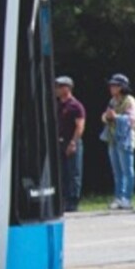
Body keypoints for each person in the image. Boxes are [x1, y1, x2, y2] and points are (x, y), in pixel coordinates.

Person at [101, 74, 135, 210]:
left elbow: (132, 119)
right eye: (111, 85)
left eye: (115, 85)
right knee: (117, 171)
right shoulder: (112, 101)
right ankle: (118, 197)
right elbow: (105, 117)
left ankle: (127, 198)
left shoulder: (130, 101)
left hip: (126, 139)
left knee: (127, 170)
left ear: (122, 87)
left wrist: (116, 117)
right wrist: (106, 117)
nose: (112, 88)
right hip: (112, 138)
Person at [53, 76, 85, 211]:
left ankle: (73, 201)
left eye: (59, 86)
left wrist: (73, 142)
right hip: (59, 141)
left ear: (67, 88)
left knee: (74, 173)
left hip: (71, 141)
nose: (56, 89)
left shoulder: (75, 106)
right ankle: (63, 199)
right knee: (62, 173)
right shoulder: (58, 105)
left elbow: (80, 125)